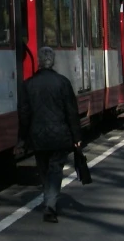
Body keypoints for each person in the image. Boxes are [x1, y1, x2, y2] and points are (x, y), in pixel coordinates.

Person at [18, 45, 82, 223]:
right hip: (59, 136)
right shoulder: (62, 82)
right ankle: (50, 205)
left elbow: (24, 114)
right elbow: (71, 112)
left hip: (38, 137)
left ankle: (49, 199)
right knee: (55, 170)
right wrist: (77, 137)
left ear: (39, 62)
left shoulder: (28, 85)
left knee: (44, 170)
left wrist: (22, 138)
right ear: (52, 62)